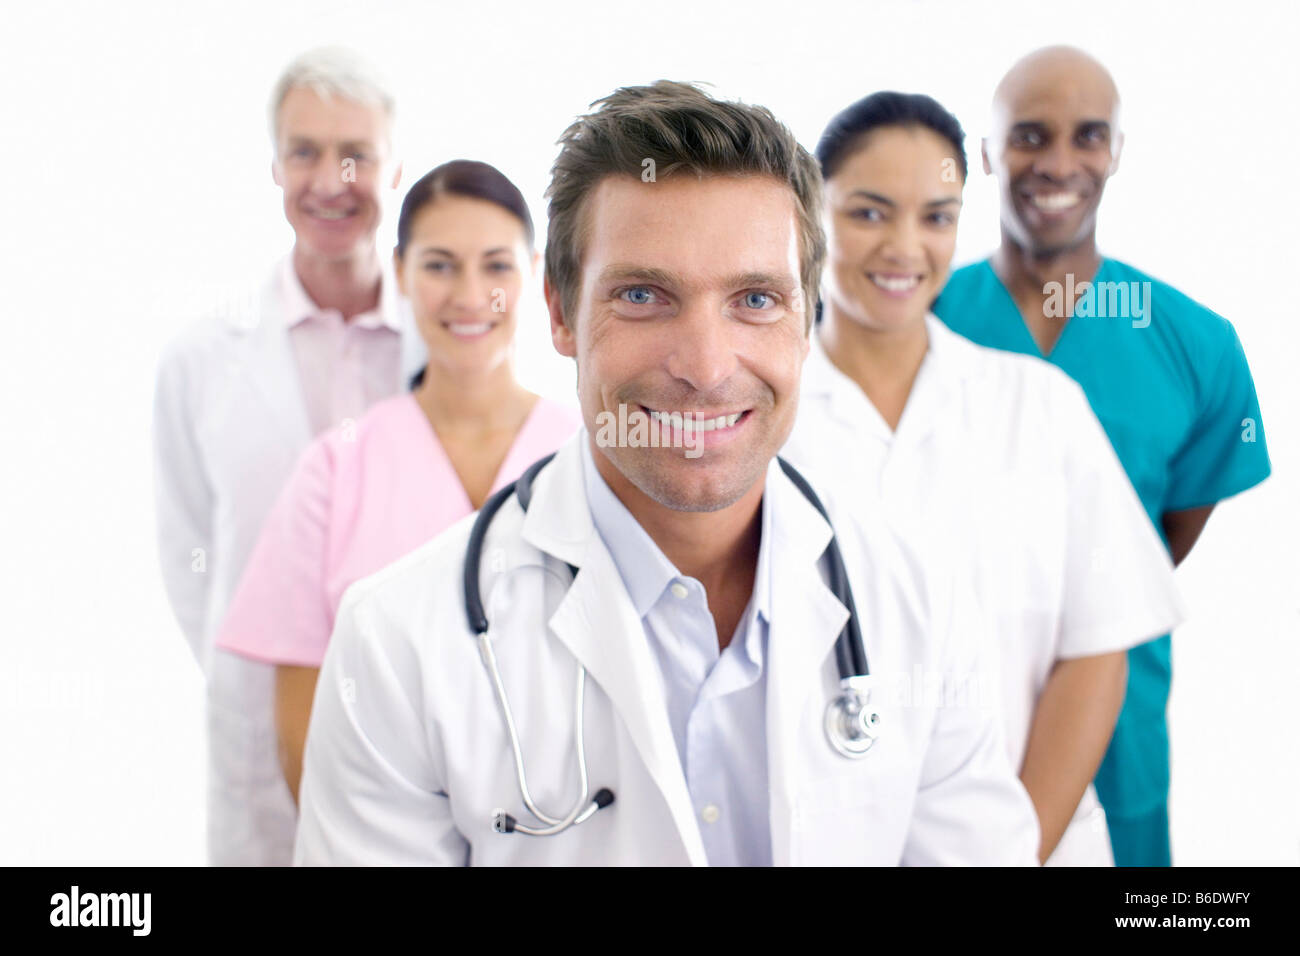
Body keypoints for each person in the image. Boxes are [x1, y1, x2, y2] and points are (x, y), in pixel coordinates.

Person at [292, 80, 1041, 866]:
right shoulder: (398, 643)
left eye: (755, 299)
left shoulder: (920, 606)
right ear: (558, 310)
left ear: (807, 320)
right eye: (644, 296)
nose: (707, 369)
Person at [782, 91, 1186, 865]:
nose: (905, 247)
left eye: (936, 216)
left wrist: (1011, 852)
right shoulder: (762, 422)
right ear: (809, 217)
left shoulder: (1038, 405)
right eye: (868, 213)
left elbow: (1097, 649)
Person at [933, 46, 1272, 866]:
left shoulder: (1197, 345)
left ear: (1117, 151)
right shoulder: (914, 329)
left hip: (1123, 718)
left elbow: (1164, 540)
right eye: (1027, 135)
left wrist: (1085, 604)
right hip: (941, 706)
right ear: (984, 152)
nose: (1057, 162)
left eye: (1087, 136)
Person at [215, 160, 581, 804]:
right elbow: (303, 733)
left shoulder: (592, 458)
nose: (470, 296)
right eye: (439, 265)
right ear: (401, 274)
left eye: (496, 265)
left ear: (535, 275)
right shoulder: (335, 471)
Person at [152, 47, 421, 865]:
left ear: (396, 168)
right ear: (274, 166)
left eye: (357, 154)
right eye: (304, 151)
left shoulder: (449, 348)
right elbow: (188, 547)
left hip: (412, 716)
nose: (330, 179)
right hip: (256, 730)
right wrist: (249, 676)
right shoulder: (203, 356)